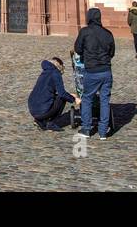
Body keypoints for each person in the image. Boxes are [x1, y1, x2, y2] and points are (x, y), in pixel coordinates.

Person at [74, 8, 115, 139]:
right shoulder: (108, 33)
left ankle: (86, 128)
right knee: (104, 100)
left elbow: (78, 49)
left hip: (92, 71)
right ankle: (103, 132)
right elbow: (112, 53)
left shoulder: (85, 32)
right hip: (106, 71)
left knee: (87, 99)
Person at [27, 56, 78, 131]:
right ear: (60, 66)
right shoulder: (55, 73)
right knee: (61, 98)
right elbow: (62, 94)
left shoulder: (45, 71)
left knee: (57, 96)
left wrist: (70, 95)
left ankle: (40, 121)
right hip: (41, 111)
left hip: (32, 109)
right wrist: (74, 99)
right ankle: (51, 123)